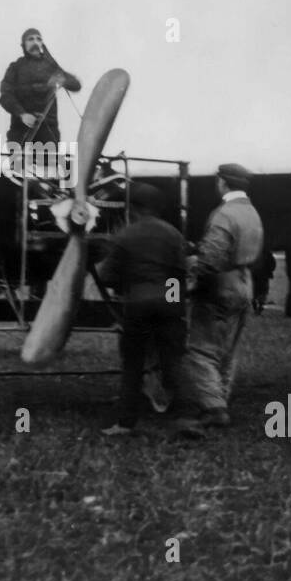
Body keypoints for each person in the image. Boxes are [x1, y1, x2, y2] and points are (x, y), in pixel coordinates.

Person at [176, 164, 264, 437]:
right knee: (228, 350)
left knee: (200, 350)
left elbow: (212, 258)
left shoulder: (224, 214)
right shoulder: (251, 212)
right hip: (243, 281)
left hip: (220, 285)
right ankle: (220, 399)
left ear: (222, 183)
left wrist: (193, 281)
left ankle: (213, 408)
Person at [95, 183, 189, 436]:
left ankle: (125, 423)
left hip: (137, 306)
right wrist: (169, 298)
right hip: (170, 306)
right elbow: (181, 272)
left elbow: (107, 276)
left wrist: (130, 283)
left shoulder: (125, 235)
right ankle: (185, 420)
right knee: (173, 363)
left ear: (133, 209)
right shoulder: (173, 234)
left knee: (133, 365)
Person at [0, 28, 81, 148]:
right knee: (18, 165)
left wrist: (61, 77)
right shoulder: (15, 67)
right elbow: (5, 96)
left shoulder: (51, 66)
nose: (35, 42)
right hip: (21, 131)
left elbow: (76, 85)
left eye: (38, 39)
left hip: (48, 131)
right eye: (30, 39)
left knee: (49, 166)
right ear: (23, 45)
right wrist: (22, 114)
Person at [251, 247, 277, 314]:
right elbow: (273, 263)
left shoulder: (252, 250)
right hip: (264, 275)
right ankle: (260, 305)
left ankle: (255, 304)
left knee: (254, 290)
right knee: (263, 291)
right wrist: (270, 271)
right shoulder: (267, 252)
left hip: (254, 274)